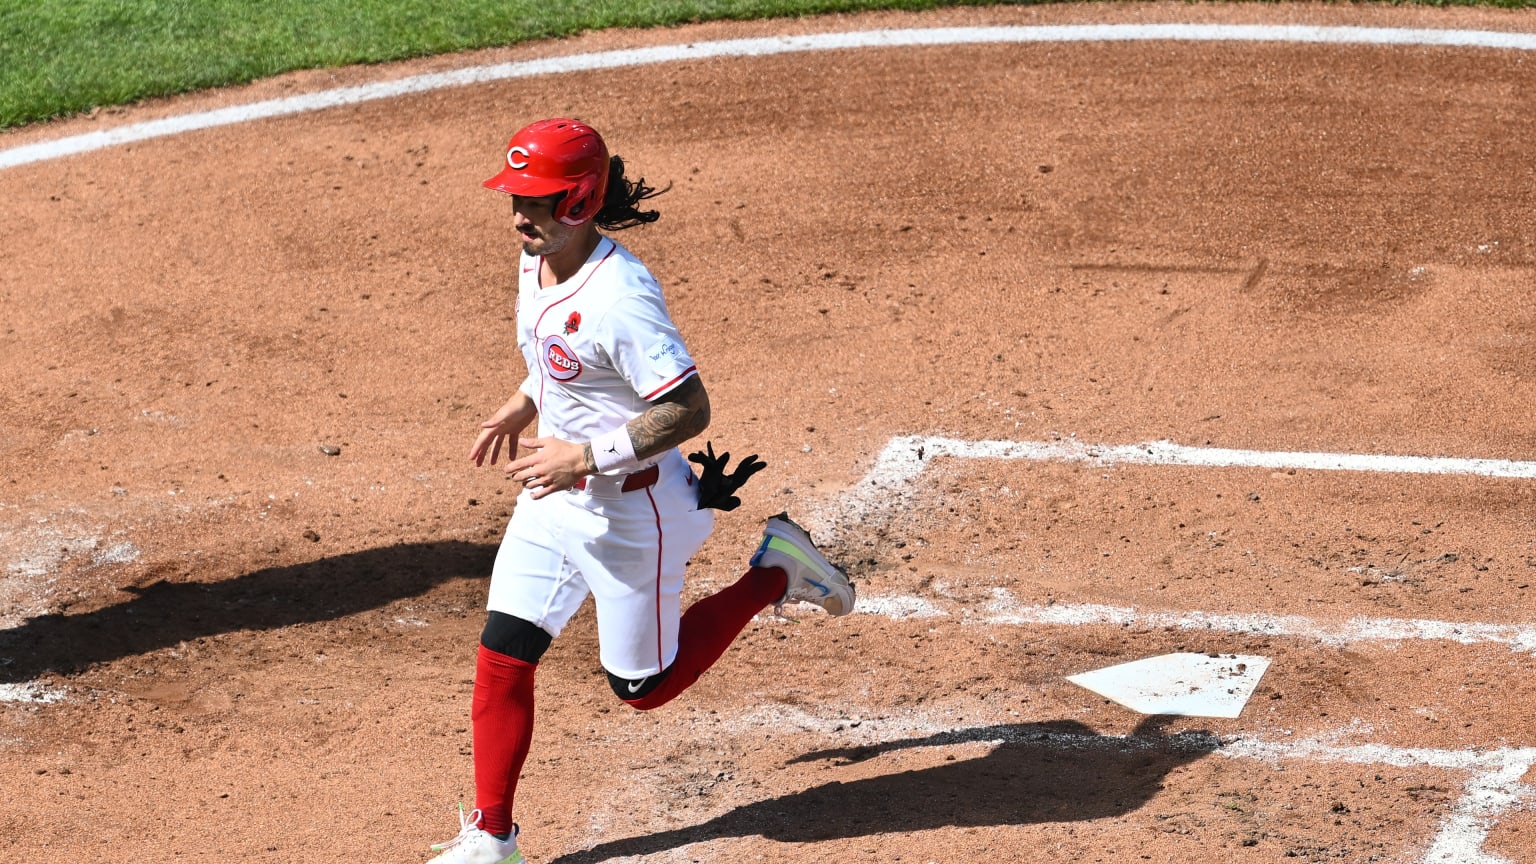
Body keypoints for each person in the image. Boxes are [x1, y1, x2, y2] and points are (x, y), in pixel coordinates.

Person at [422, 118, 856, 864]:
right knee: (503, 654)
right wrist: (525, 403)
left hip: (634, 513)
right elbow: (562, 360)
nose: (518, 214)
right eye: (515, 197)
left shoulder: (621, 297)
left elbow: (688, 408)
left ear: (578, 200)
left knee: (644, 688)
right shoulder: (538, 258)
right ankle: (493, 838)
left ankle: (776, 572)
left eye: (534, 199)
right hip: (555, 497)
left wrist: (585, 457)